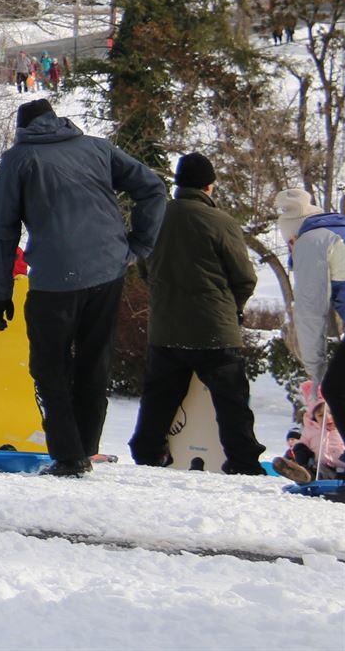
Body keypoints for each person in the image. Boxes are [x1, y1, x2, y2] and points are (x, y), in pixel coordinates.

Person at [0, 98, 167, 477]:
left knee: (49, 366)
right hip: (108, 269)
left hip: (55, 277)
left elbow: (3, 232)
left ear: (23, 128)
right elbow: (152, 188)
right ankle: (85, 447)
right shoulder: (96, 148)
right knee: (93, 360)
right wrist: (137, 246)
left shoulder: (18, 160)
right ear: (57, 120)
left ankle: (69, 457)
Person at [125, 154, 265, 473]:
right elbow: (245, 277)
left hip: (166, 328)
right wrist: (232, 309)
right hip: (213, 329)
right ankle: (242, 461)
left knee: (158, 398)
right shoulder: (221, 222)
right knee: (232, 402)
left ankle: (146, 451)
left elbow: (145, 269)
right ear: (209, 186)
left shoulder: (156, 217)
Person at [279, 186, 345, 468]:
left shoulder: (311, 241)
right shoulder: (338, 230)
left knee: (336, 388)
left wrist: (316, 372)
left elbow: (309, 313)